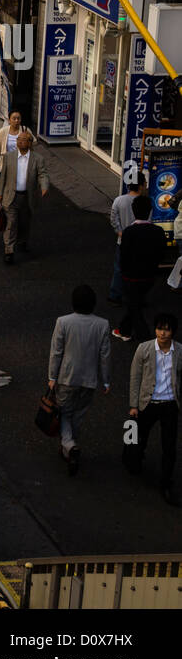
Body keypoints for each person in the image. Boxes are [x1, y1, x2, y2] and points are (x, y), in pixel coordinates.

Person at [47, 285, 112, 475]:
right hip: (89, 380)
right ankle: (70, 448)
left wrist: (52, 376)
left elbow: (56, 352)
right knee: (78, 414)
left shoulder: (63, 322)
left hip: (67, 378)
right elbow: (105, 355)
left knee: (64, 413)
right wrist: (106, 380)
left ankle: (69, 445)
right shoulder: (103, 324)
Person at [127, 312, 182, 506]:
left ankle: (166, 482)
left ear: (173, 331)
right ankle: (132, 457)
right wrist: (133, 405)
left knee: (169, 447)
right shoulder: (144, 349)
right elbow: (135, 377)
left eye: (167, 329)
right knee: (133, 434)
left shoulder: (180, 351)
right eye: (160, 328)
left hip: (169, 404)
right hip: (147, 402)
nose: (162, 333)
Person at [117, 194, 167, 342]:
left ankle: (145, 338)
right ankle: (124, 330)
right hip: (150, 275)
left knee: (134, 307)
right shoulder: (158, 231)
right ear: (150, 210)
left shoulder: (128, 232)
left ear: (133, 211)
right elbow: (161, 254)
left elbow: (123, 256)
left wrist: (123, 271)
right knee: (135, 302)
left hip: (131, 276)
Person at [0, 130, 49, 264]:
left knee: (24, 223)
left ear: (30, 143)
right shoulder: (8, 157)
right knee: (11, 223)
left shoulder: (37, 159)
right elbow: (3, 177)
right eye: (18, 139)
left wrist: (44, 186)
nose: (20, 141)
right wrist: (0, 194)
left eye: (23, 139)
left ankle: (22, 241)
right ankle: (9, 250)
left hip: (27, 197)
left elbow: (42, 174)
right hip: (11, 196)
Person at [110, 178, 145, 306]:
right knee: (138, 269)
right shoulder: (145, 202)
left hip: (123, 241)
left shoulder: (119, 200)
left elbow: (113, 219)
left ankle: (115, 295)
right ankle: (136, 296)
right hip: (140, 242)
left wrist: (120, 232)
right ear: (140, 186)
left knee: (119, 268)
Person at [0, 109, 24, 194]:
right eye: (14, 118)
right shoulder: (3, 131)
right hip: (5, 163)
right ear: (9, 120)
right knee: (4, 187)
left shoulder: (24, 130)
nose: (16, 121)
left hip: (20, 163)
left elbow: (33, 142)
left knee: (18, 187)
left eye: (18, 118)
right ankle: (2, 204)